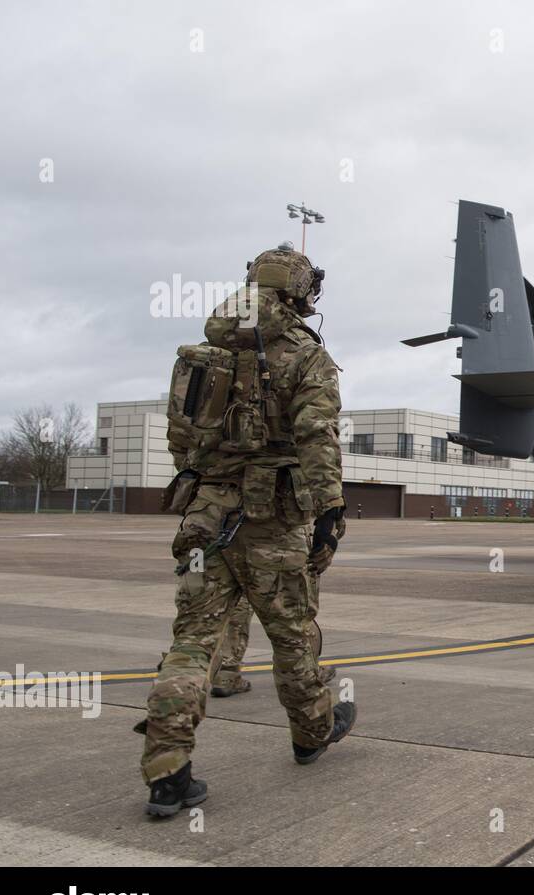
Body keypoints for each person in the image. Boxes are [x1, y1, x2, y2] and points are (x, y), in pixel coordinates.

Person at [140, 242, 354, 817]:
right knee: (292, 635)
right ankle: (312, 734)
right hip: (272, 524)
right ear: (300, 292)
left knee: (190, 644)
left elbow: (181, 439)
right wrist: (331, 511)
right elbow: (317, 437)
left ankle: (167, 771)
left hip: (204, 519)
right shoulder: (306, 356)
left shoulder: (204, 353)